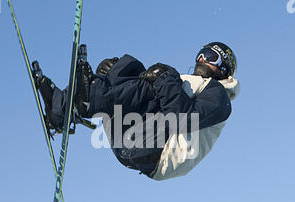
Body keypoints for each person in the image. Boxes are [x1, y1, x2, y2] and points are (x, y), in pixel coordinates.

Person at [34, 42, 240, 180]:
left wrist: (163, 78)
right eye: (201, 54)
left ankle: (89, 99)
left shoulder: (219, 96)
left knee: (157, 80)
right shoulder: (190, 85)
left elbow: (182, 118)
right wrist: (113, 75)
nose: (202, 59)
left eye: (211, 57)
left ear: (224, 69)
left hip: (156, 152)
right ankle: (59, 110)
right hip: (132, 142)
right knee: (130, 70)